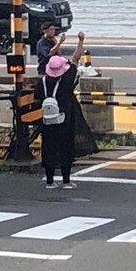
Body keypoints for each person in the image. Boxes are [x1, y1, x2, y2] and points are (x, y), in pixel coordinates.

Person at [36, 32, 86, 189]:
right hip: (64, 119)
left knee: (48, 148)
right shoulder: (67, 78)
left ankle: (50, 181)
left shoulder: (43, 81)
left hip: (47, 120)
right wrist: (80, 41)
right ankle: (66, 181)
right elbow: (76, 59)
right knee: (65, 148)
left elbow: (37, 97)